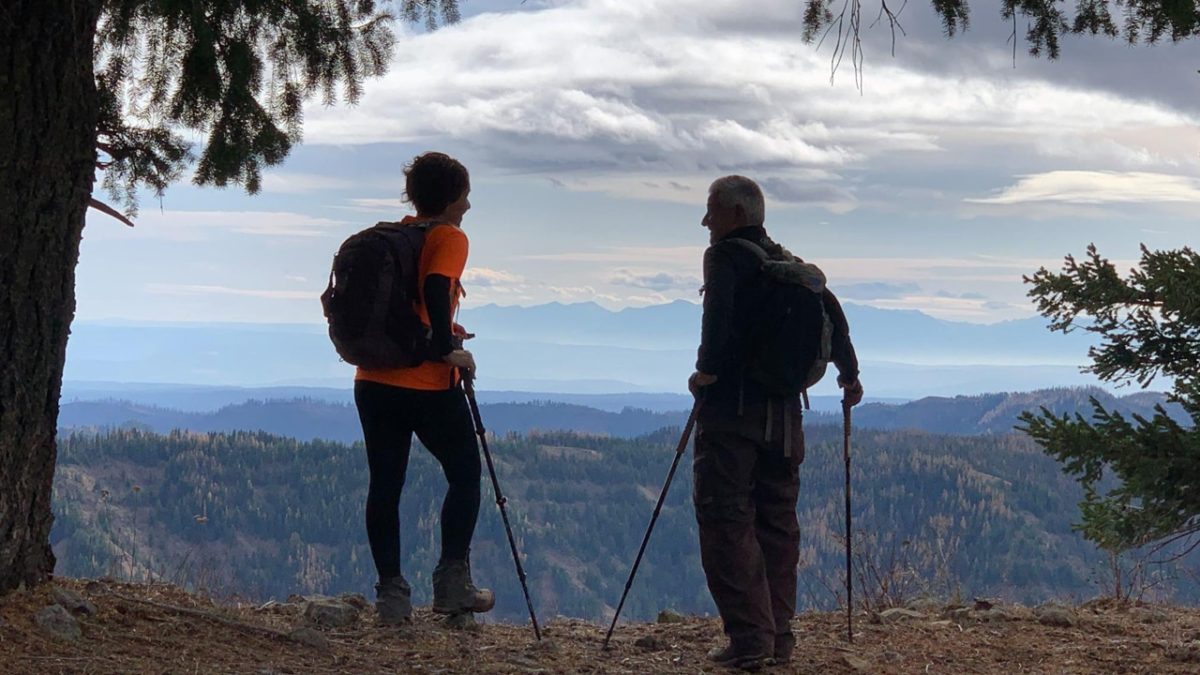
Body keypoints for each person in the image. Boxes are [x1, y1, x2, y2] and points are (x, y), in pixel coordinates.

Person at [689, 175, 863, 670]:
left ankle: (750, 640)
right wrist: (849, 375)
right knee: (777, 522)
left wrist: (705, 373)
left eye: (712, 210)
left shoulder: (725, 256)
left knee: (726, 519)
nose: (705, 221)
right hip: (786, 417)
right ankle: (779, 637)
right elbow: (833, 311)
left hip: (733, 413)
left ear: (737, 214)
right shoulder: (787, 263)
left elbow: (717, 325)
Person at [353, 151, 493, 625]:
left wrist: (444, 331)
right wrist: (445, 348)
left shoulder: (397, 237)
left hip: (373, 380)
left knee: (385, 484)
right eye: (465, 196)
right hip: (427, 383)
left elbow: (409, 306)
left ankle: (391, 596)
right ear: (451, 198)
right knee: (465, 473)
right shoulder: (448, 236)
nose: (468, 205)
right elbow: (435, 288)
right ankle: (452, 586)